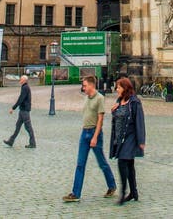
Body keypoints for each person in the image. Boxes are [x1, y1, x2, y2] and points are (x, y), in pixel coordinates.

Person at [62, 74, 117, 202]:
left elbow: (100, 120)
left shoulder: (100, 98)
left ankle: (112, 185)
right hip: (84, 133)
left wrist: (95, 137)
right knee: (80, 164)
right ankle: (75, 193)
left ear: (92, 85)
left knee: (102, 163)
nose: (83, 88)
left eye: (85, 85)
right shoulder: (86, 98)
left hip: (94, 133)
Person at [109, 77, 145, 204]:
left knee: (122, 162)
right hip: (120, 137)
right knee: (129, 164)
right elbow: (118, 118)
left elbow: (139, 121)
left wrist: (141, 140)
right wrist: (113, 111)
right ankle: (134, 192)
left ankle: (123, 193)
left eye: (118, 87)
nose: (116, 89)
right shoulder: (119, 101)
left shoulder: (134, 102)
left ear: (125, 88)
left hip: (130, 137)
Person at [4, 74, 36, 149]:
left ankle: (32, 143)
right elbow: (21, 98)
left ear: (24, 80)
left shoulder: (25, 87)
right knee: (18, 126)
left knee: (28, 127)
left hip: (25, 110)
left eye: (21, 79)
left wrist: (13, 108)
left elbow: (21, 98)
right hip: (22, 110)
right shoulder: (24, 87)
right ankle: (11, 141)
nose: (20, 80)